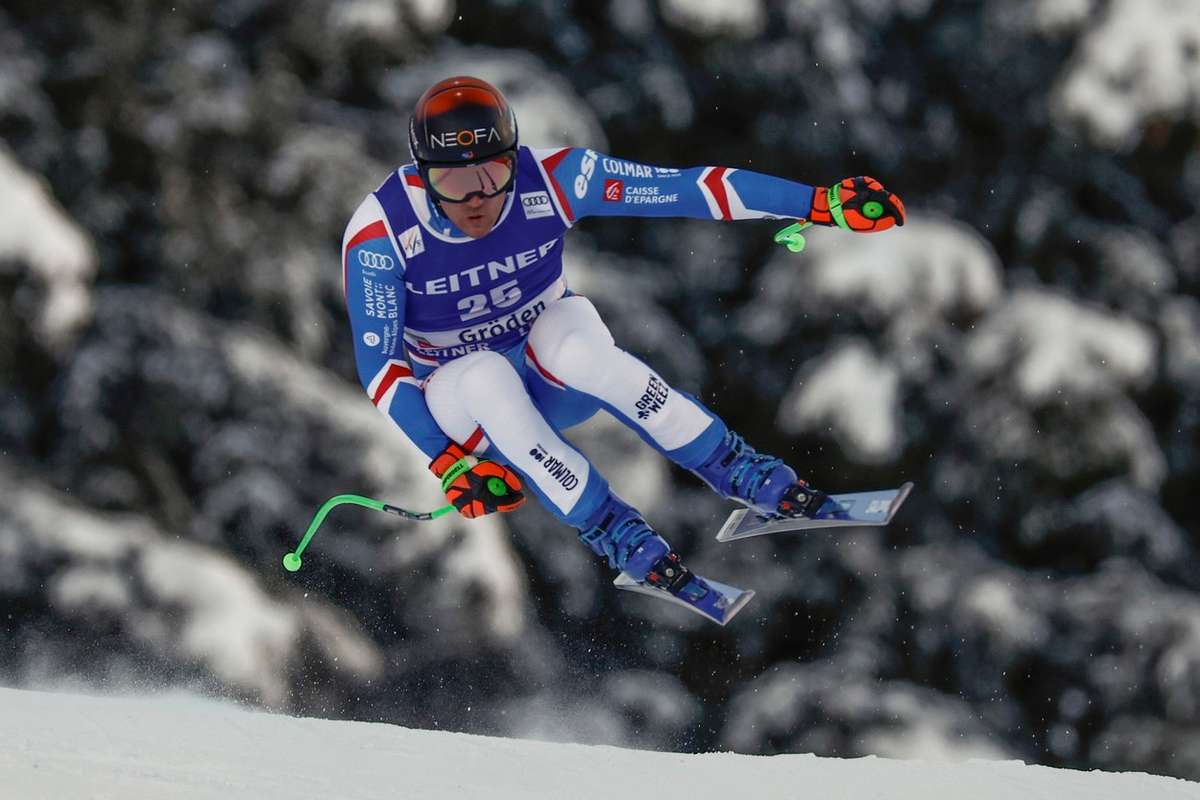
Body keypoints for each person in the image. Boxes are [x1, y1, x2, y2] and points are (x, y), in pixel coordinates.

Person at [342, 76, 905, 601]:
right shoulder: (382, 234)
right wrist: (447, 462)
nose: (477, 199)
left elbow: (687, 190)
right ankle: (615, 532)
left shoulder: (555, 179)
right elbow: (383, 370)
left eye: (492, 175)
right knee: (487, 375)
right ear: (421, 174)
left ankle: (742, 471)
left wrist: (818, 204)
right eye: (453, 182)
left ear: (515, 159)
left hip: (552, 372)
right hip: (469, 406)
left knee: (575, 338)